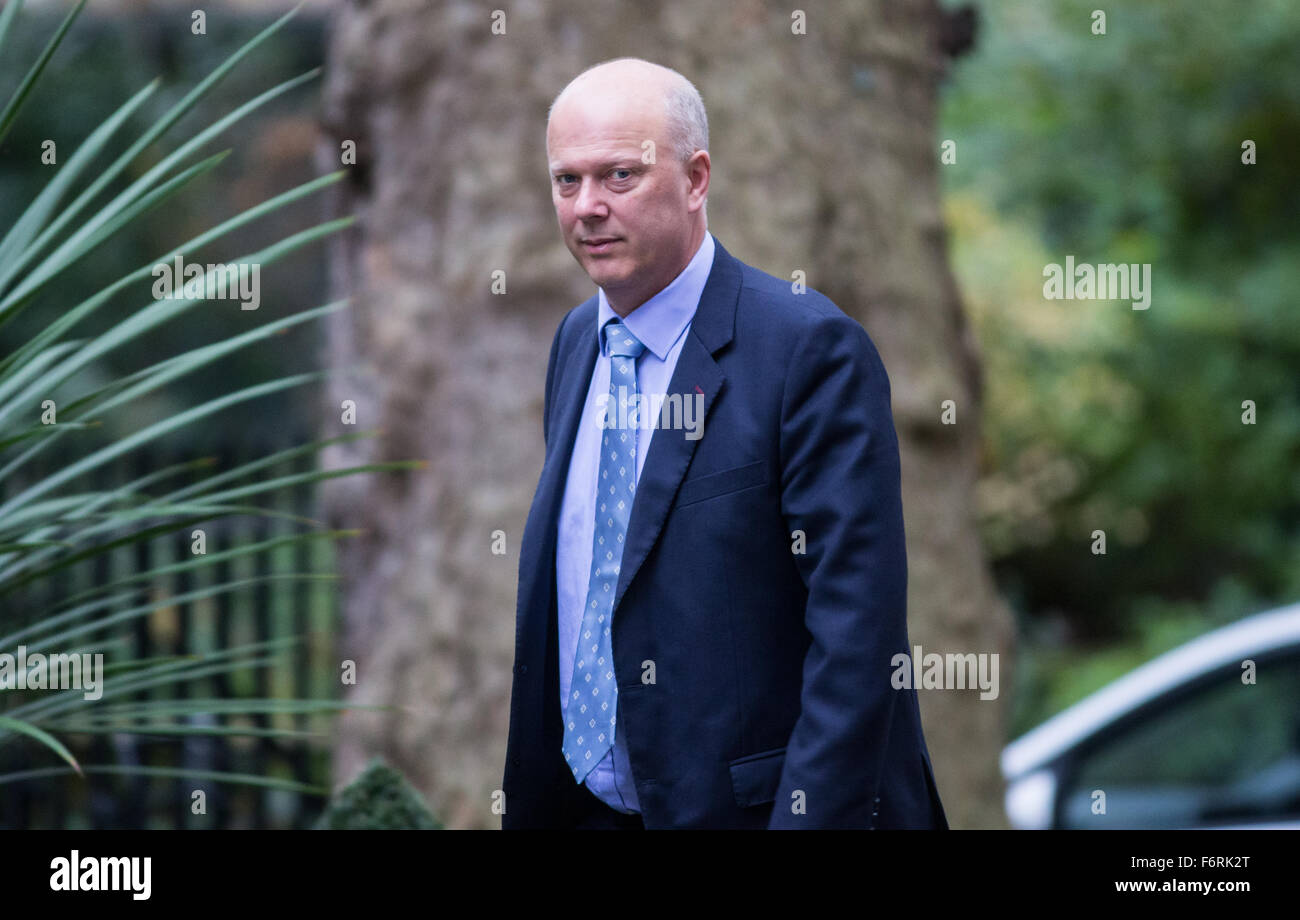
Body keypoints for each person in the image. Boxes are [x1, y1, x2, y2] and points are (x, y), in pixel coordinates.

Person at [502, 57, 948, 830]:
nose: (588, 207)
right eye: (566, 181)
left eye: (618, 176)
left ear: (697, 178)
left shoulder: (809, 352)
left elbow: (856, 643)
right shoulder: (576, 342)